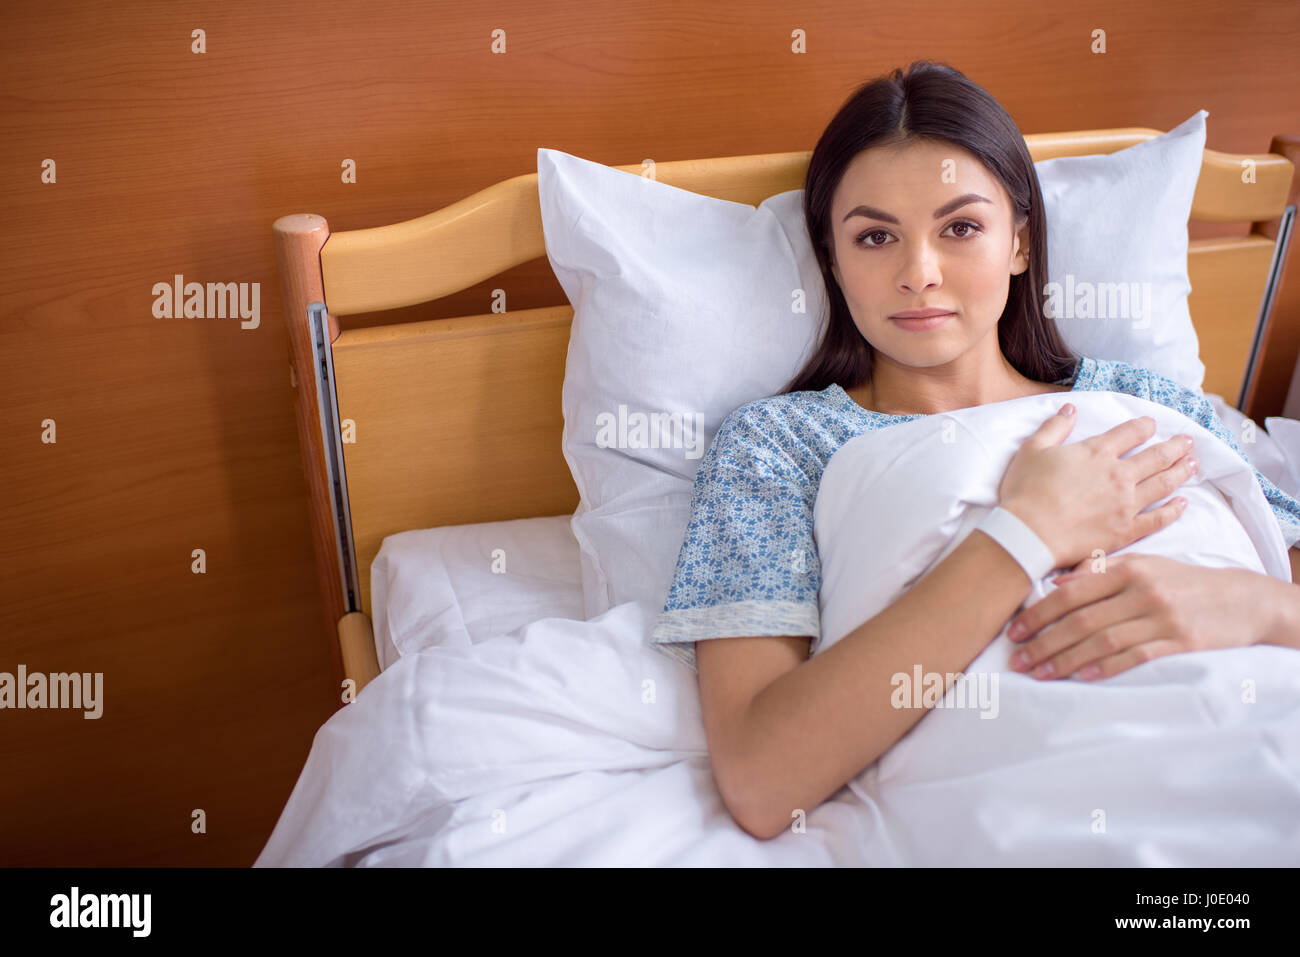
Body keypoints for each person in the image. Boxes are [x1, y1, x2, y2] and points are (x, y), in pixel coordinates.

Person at [647, 60, 1300, 841]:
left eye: (961, 227)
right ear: (832, 261)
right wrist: (1024, 532)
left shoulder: (1144, 399)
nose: (919, 273)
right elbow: (762, 777)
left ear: (1020, 243)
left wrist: (1254, 602)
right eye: (875, 236)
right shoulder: (777, 445)